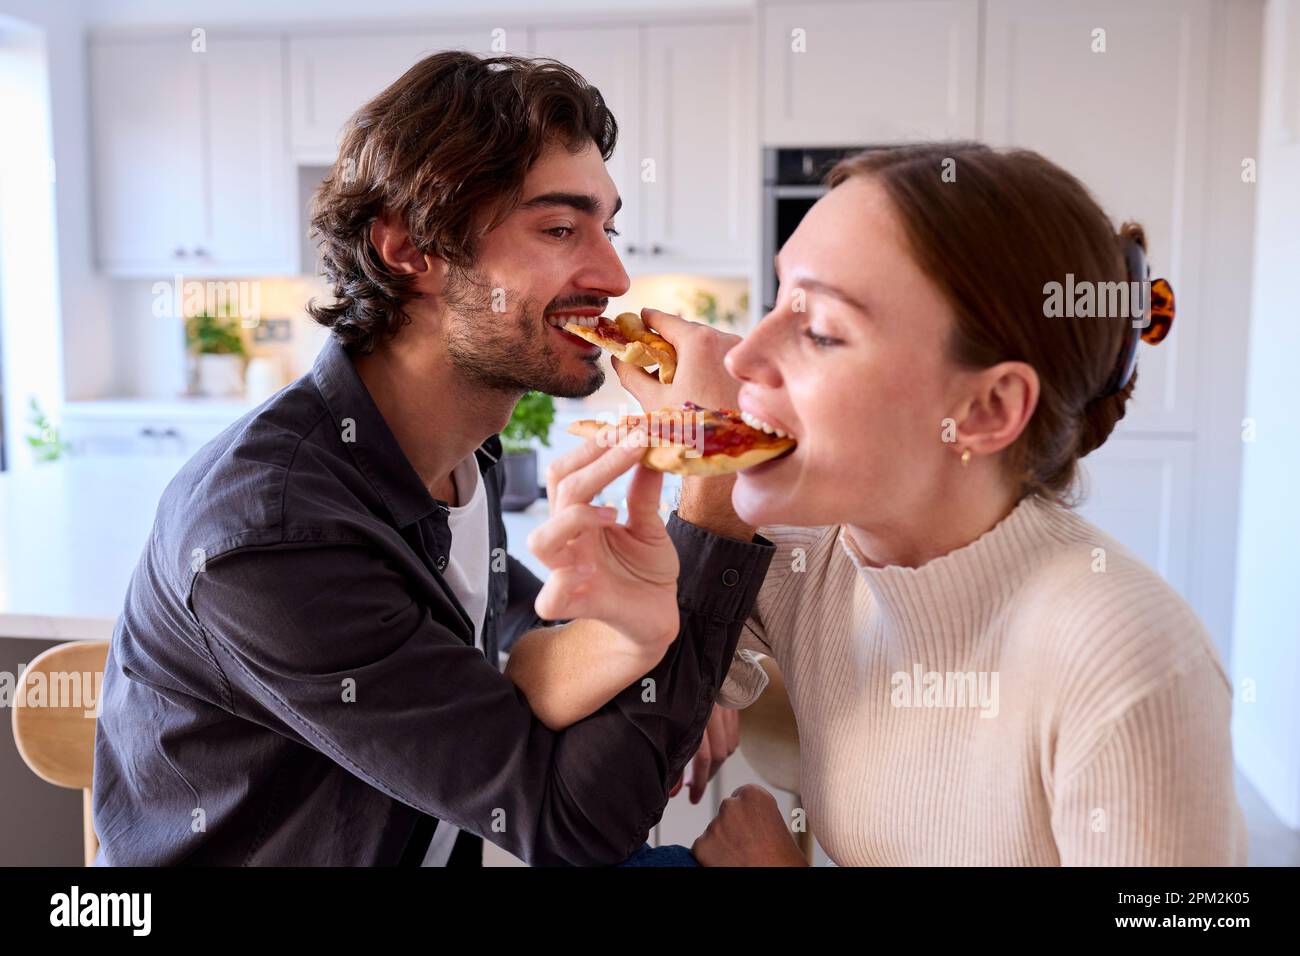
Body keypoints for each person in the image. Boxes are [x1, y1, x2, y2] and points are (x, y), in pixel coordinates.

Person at [91, 52, 774, 866]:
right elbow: (568, 826)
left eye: (608, 226)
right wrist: (714, 492)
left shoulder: (453, 449)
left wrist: (647, 645)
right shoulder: (274, 533)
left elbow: (520, 643)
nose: (615, 275)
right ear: (409, 250)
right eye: (560, 228)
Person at [531, 141, 1248, 866]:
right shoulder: (806, 557)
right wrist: (635, 621)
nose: (744, 360)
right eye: (779, 303)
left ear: (987, 409)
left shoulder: (1131, 660)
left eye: (821, 331)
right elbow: (535, 692)